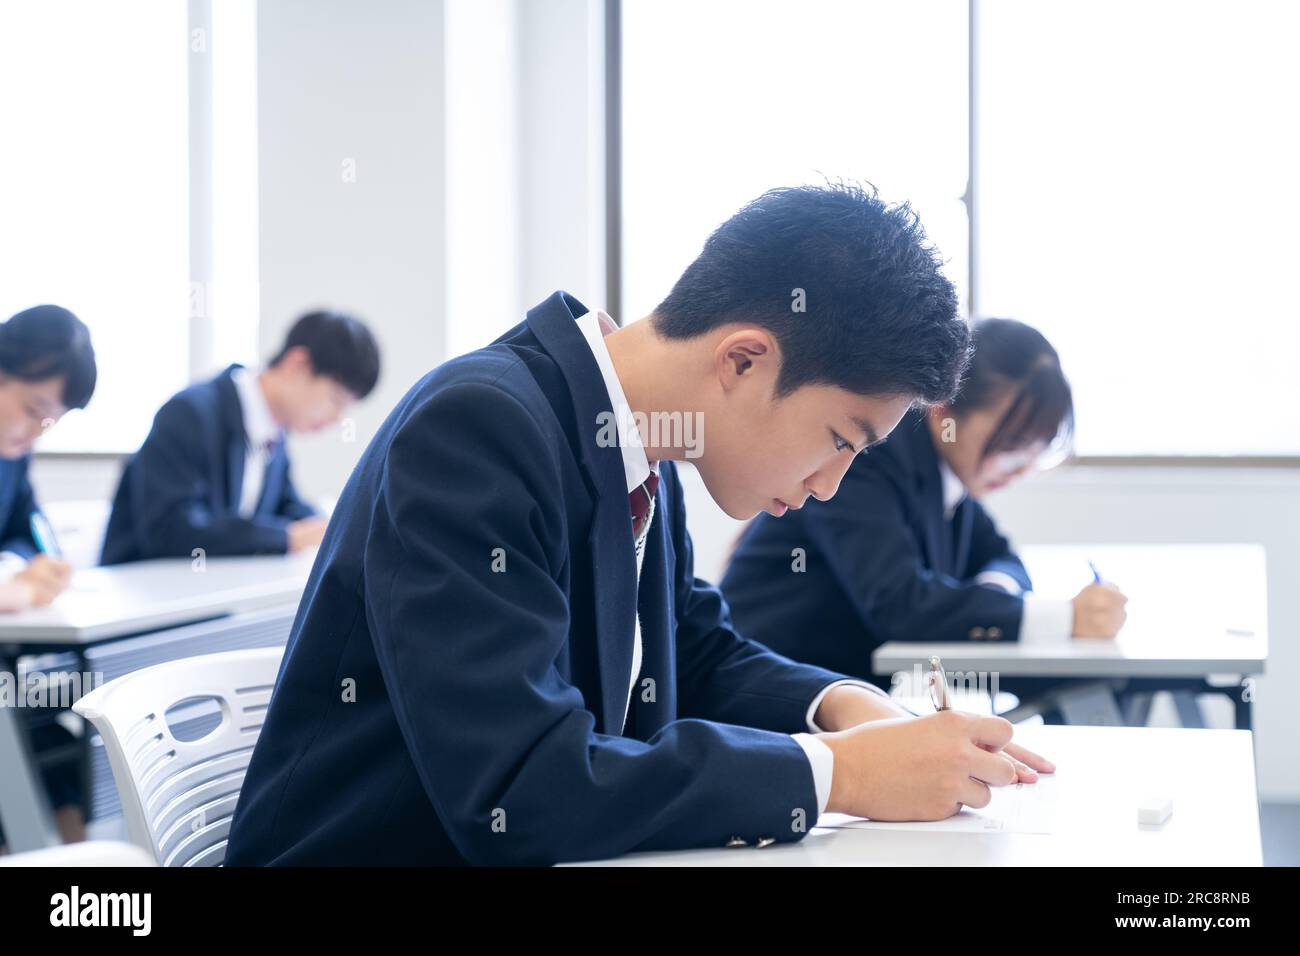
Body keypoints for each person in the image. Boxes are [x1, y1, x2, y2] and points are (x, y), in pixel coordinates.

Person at [227, 183, 1053, 867]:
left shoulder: (636, 445)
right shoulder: (480, 428)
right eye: (840, 440)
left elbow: (694, 650)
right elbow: (518, 790)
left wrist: (846, 706)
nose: (832, 485)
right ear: (742, 359)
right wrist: (836, 774)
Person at [721, 318, 1128, 714]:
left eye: (1037, 448)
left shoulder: (947, 478)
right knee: (1083, 686)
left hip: (839, 693)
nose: (1022, 466)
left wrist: (995, 590)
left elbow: (1002, 557)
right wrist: (1064, 618)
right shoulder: (870, 459)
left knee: (1090, 684)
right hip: (767, 694)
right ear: (943, 410)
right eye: (1012, 443)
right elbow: (902, 604)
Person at [100, 311, 380, 565]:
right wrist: (288, 537)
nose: (337, 419)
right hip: (145, 601)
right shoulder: (191, 412)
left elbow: (286, 505)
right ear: (299, 364)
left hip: (205, 599)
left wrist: (329, 525)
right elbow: (171, 529)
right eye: (336, 400)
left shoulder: (274, 431)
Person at [0, 303, 97, 848]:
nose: (35, 432)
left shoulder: (11, 453)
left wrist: (23, 569)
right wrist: (11, 593)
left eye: (51, 422)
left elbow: (28, 532)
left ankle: (83, 865)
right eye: (32, 408)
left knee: (52, 715)